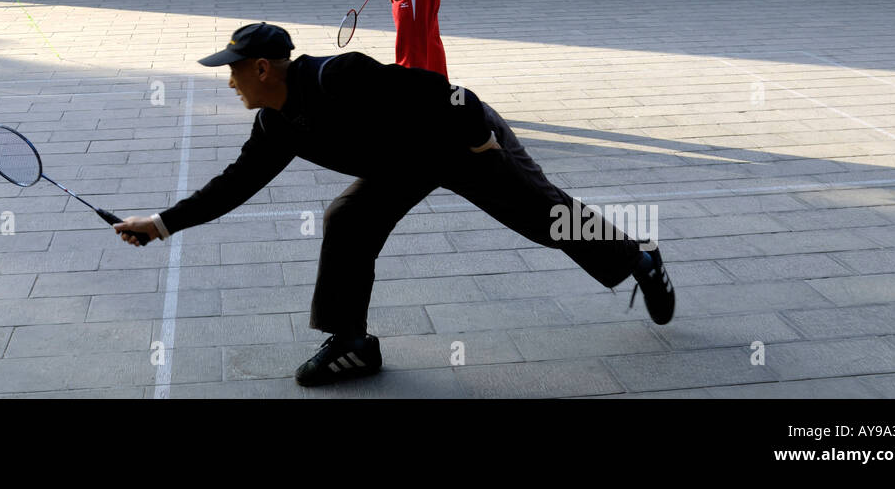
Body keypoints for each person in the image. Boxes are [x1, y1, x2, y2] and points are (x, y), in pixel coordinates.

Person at [113, 23, 675, 388]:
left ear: (263, 68)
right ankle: (352, 342)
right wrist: (161, 224)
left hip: (459, 142)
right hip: (401, 166)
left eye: (233, 70)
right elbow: (235, 184)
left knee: (546, 219)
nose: (229, 81)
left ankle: (638, 261)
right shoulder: (275, 123)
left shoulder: (339, 76)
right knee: (348, 218)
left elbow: (445, 94)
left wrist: (480, 136)